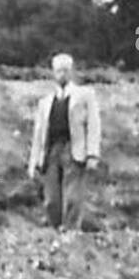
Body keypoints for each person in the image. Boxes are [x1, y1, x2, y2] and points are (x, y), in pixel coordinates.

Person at [28, 53, 101, 230]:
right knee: (51, 198)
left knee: (73, 196)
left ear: (71, 71)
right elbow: (38, 134)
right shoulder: (45, 102)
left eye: (65, 70)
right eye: (58, 71)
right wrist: (33, 162)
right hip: (52, 150)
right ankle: (55, 229)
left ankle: (70, 230)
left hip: (74, 149)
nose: (62, 74)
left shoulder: (85, 95)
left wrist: (92, 154)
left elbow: (93, 124)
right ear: (53, 73)